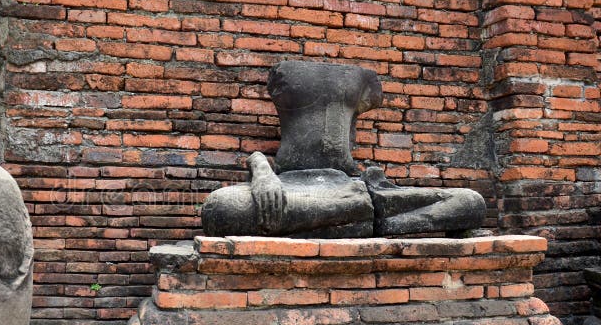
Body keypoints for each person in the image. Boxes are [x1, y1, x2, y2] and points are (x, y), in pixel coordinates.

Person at [201, 61, 486, 238]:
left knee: (470, 201)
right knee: (222, 208)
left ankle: (367, 215)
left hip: (357, 188)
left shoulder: (364, 180)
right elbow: (257, 164)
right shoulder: (265, 168)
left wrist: (369, 195)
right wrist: (262, 172)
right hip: (295, 189)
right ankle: (363, 215)